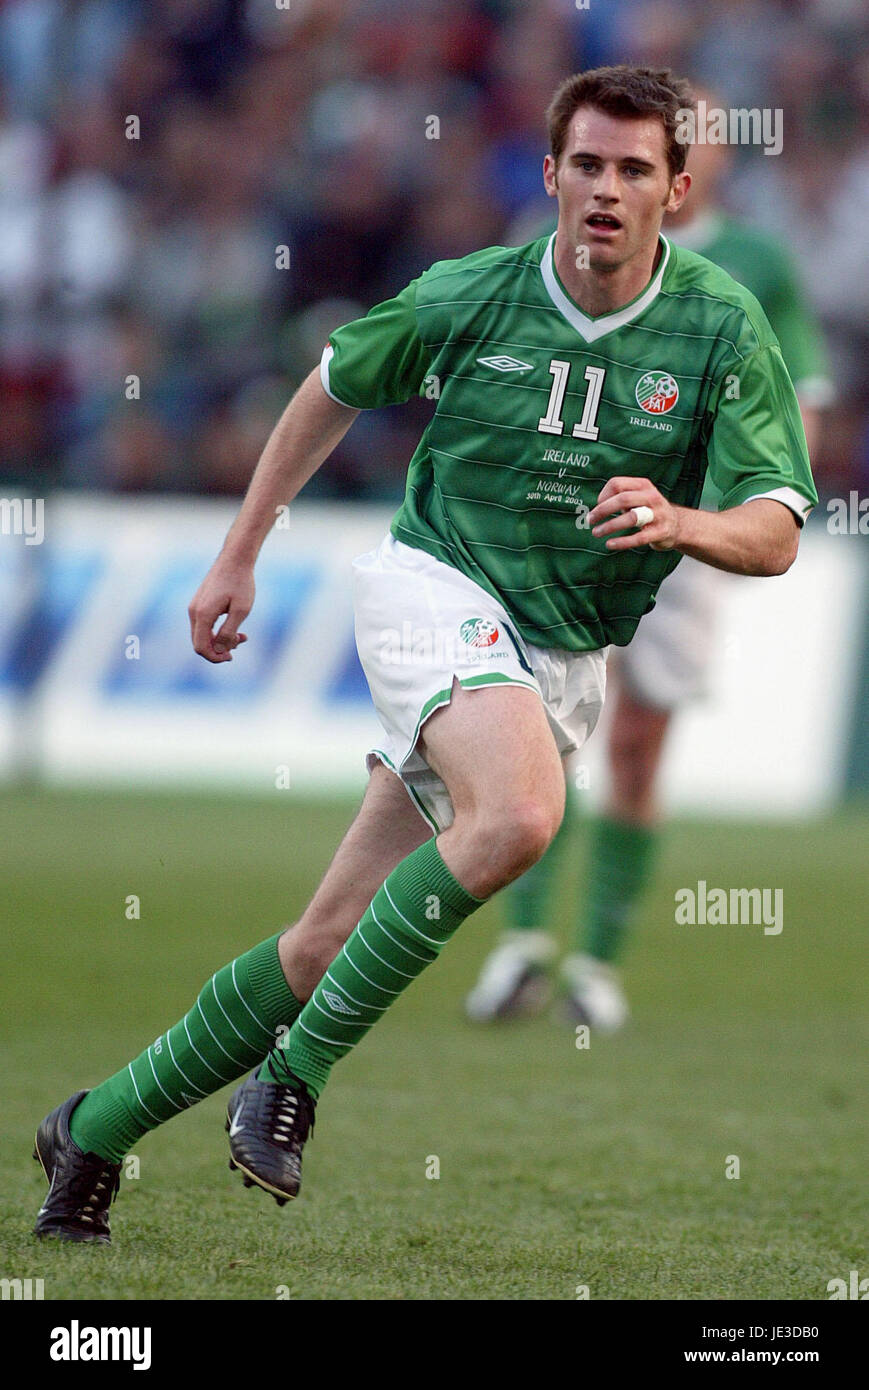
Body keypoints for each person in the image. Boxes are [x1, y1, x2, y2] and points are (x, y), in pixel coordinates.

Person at [33, 65, 817, 1242]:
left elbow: (775, 527)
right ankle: (294, 1079)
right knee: (518, 817)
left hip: (558, 651)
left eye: (633, 170)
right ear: (549, 175)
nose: (605, 189)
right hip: (431, 587)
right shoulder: (471, 291)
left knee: (323, 940)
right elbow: (328, 385)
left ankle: (91, 1129)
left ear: (678, 187)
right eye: (586, 165)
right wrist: (239, 553)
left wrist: (683, 519)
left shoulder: (719, 325)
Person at [465, 93, 832, 1031]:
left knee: (635, 743)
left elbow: (801, 402)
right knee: (538, 736)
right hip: (564, 516)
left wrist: (752, 505)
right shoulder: (547, 242)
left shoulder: (753, 265)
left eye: (698, 139)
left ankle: (594, 962)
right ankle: (523, 946)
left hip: (689, 533)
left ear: (693, 163)